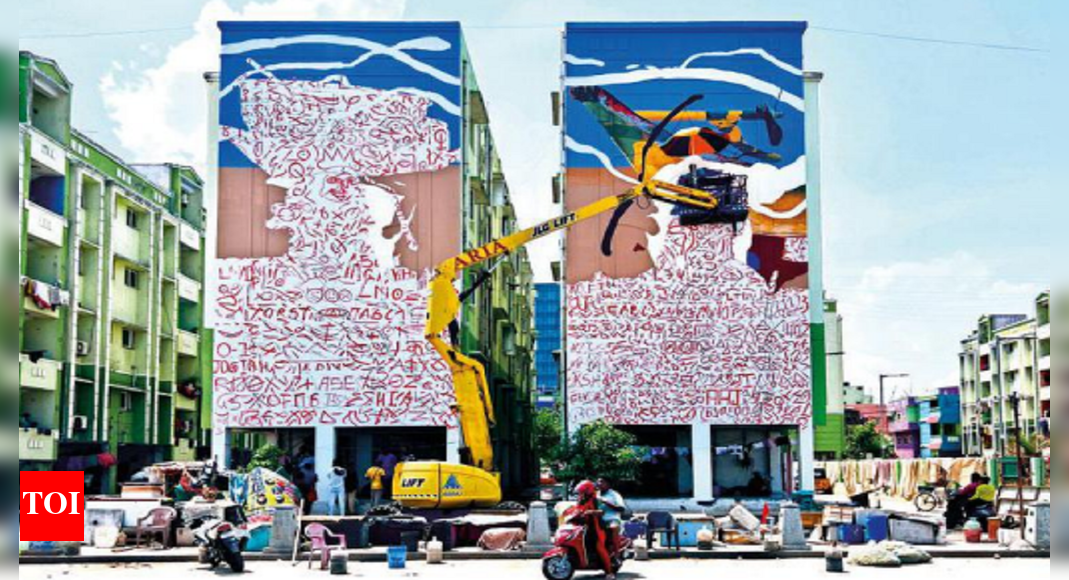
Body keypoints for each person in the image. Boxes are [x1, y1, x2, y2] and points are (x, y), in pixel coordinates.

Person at [566, 480, 615, 580]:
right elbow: (577, 509)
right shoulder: (581, 499)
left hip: (597, 527)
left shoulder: (597, 499)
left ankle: (609, 572)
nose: (580, 493)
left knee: (600, 548)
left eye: (582, 491)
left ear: (588, 491)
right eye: (580, 492)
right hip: (585, 526)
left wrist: (591, 512)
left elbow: (602, 511)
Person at [596, 477, 627, 575]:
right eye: (598, 481)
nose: (599, 483)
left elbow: (621, 508)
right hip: (597, 520)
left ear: (608, 484)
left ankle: (616, 555)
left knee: (614, 527)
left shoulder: (614, 495)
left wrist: (606, 502)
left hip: (611, 519)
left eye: (602, 482)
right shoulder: (595, 494)